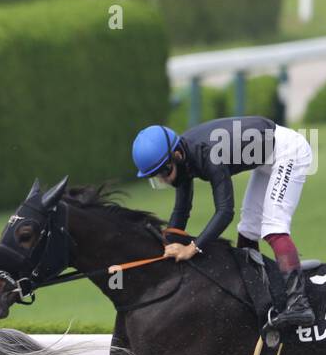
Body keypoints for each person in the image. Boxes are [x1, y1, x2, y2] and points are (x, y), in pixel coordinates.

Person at [131, 116, 315, 328]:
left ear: (178, 155)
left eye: (164, 172)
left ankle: (300, 304)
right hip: (267, 156)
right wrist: (164, 245)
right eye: (157, 177)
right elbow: (181, 211)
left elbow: (225, 211)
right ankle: (255, 295)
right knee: (248, 229)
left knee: (273, 226)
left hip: (289, 152)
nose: (164, 180)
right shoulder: (183, 157)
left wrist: (193, 248)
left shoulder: (208, 153)